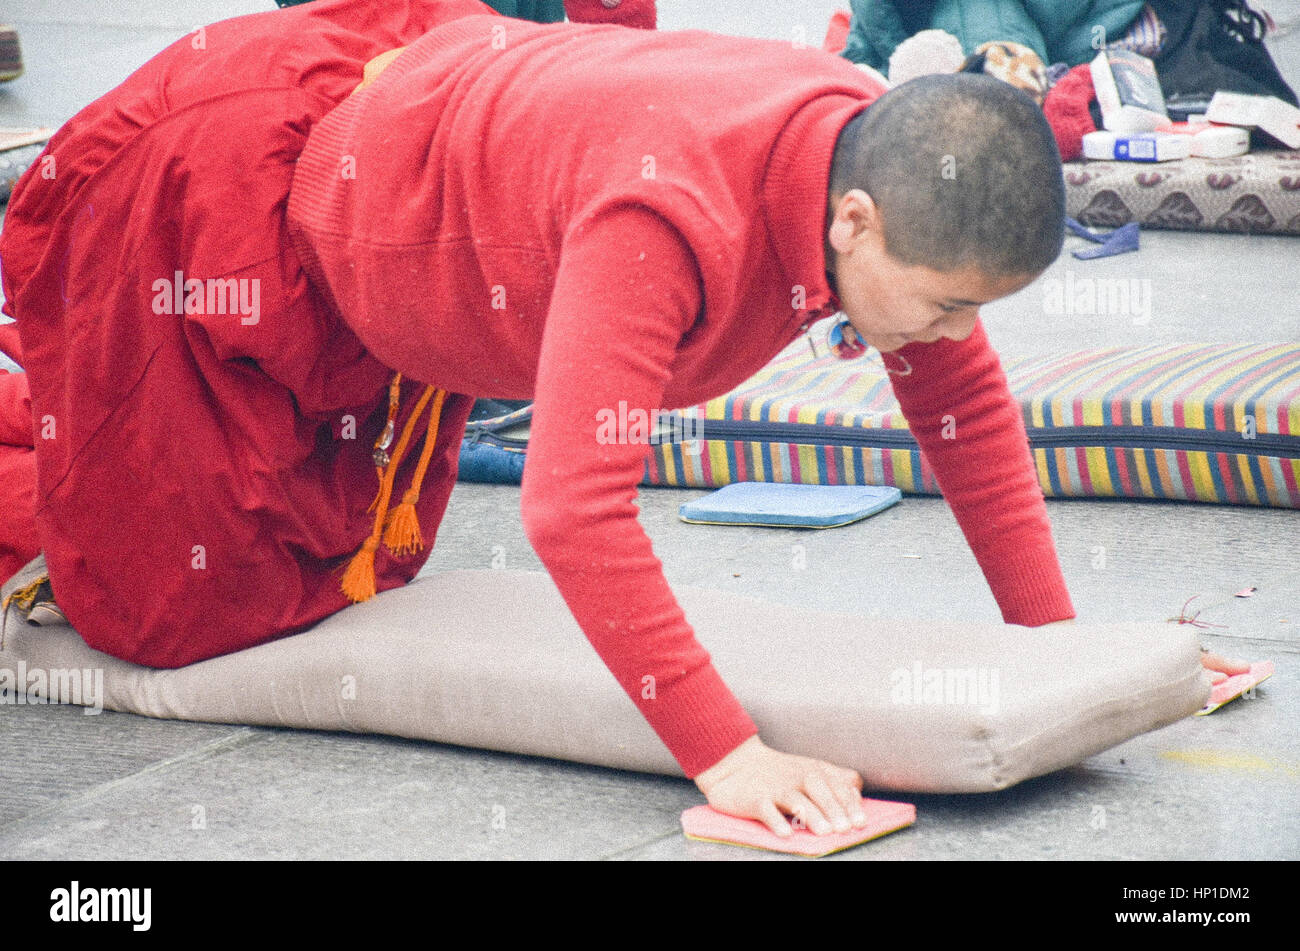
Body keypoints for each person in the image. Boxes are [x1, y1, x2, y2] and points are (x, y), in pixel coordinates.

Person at [0, 0, 1243, 839]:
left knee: (343, 564)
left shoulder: (866, 148)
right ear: (855, 220)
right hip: (232, 184)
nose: (950, 338)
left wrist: (1062, 654)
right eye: (941, 304)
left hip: (417, 172)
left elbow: (964, 411)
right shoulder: (664, 222)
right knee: (172, 612)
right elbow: (571, 511)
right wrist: (727, 756)